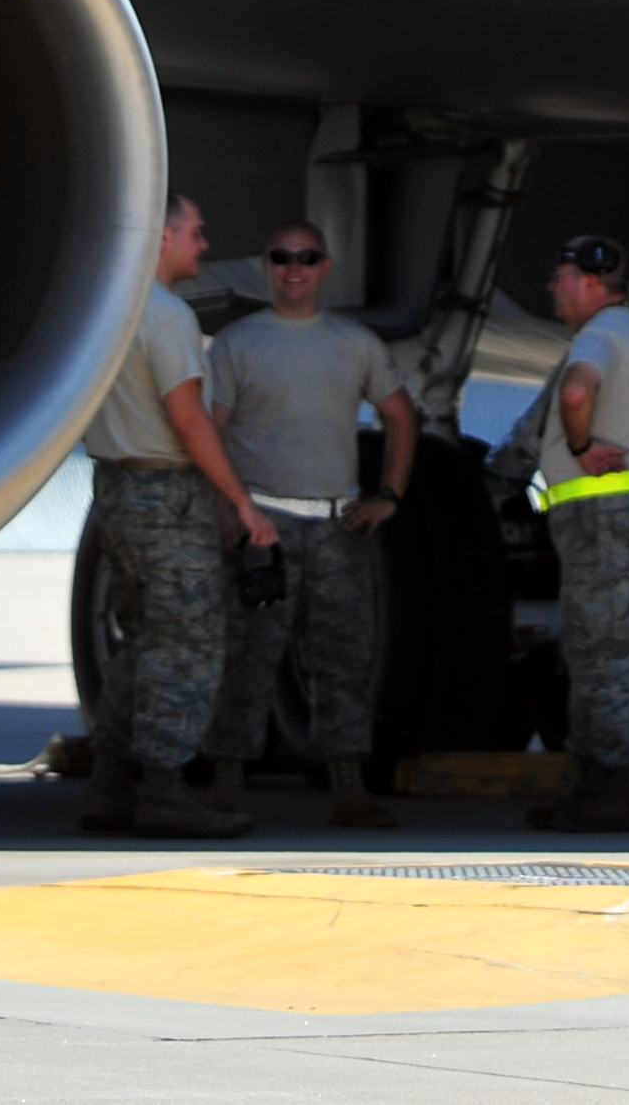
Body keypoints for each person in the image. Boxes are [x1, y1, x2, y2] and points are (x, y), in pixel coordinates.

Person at [202, 219, 420, 829]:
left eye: (306, 258)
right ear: (266, 267)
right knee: (247, 658)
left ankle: (347, 783)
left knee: (343, 659)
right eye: (281, 258)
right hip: (265, 525)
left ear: (325, 267)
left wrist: (388, 496)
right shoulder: (237, 344)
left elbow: (402, 416)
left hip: (336, 526)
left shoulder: (355, 344)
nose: (293, 269)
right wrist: (227, 512)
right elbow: (210, 432)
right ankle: (227, 778)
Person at [78, 194, 279, 839]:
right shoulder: (165, 316)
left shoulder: (108, 306)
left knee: (141, 640)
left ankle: (111, 784)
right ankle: (164, 790)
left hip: (114, 490)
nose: (204, 243)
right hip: (166, 495)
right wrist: (241, 502)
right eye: (194, 232)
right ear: (162, 238)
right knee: (186, 646)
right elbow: (189, 419)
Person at [493, 231, 629, 834]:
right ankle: (597, 789)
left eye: (561, 277)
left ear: (590, 282)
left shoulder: (599, 336)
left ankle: (615, 791)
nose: (552, 288)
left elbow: (576, 389)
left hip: (601, 517)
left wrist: (582, 444)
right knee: (623, 650)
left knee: (604, 657)